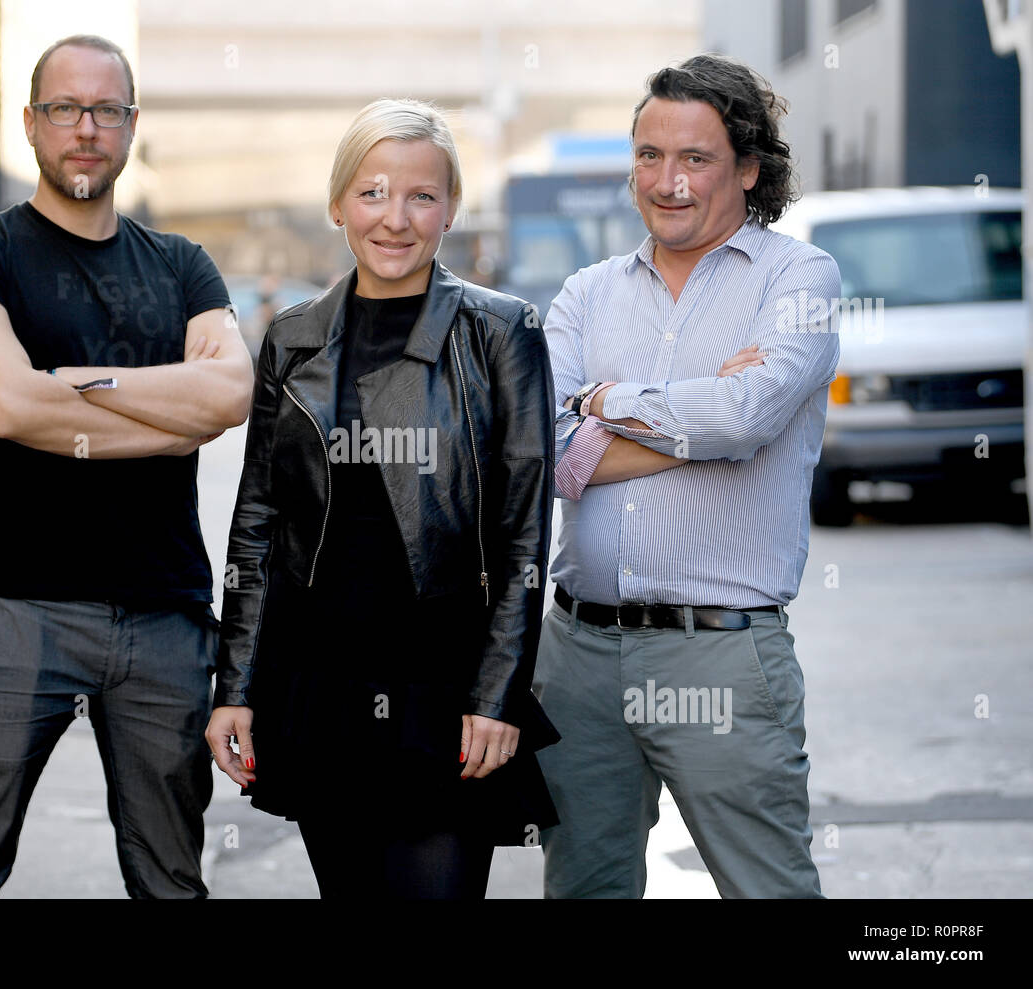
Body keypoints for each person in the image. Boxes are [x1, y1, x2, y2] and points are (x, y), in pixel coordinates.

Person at [0, 35, 252, 898]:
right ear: (31, 123)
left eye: (106, 109)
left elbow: (228, 398)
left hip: (166, 620)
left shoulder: (181, 265)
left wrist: (84, 383)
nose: (86, 129)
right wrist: (165, 416)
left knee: (172, 881)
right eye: (65, 109)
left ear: (131, 125)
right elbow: (8, 407)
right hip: (20, 610)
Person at [204, 99, 559, 899]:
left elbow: (522, 533)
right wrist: (236, 687)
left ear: (451, 209)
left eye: (420, 196)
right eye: (371, 193)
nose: (395, 218)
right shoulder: (292, 337)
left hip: (443, 681)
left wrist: (498, 693)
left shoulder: (500, 333)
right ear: (338, 204)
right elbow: (257, 525)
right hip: (321, 681)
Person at [535, 53, 838, 898]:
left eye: (695, 159)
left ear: (748, 166)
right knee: (582, 889)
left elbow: (750, 414)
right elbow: (541, 452)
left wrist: (603, 402)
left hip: (724, 659)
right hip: (579, 656)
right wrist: (705, 417)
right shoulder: (585, 295)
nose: (667, 182)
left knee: (767, 888)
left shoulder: (798, 279)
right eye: (648, 156)